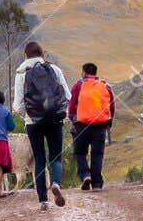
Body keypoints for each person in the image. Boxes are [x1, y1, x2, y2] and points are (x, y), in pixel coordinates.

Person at [12, 40, 69, 210]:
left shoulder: (21, 73)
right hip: (54, 120)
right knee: (55, 156)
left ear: (25, 55)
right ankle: (56, 183)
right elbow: (67, 95)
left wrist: (28, 115)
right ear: (42, 54)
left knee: (39, 159)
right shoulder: (54, 69)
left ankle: (43, 200)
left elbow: (17, 105)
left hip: (33, 123)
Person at [67, 62, 114, 191]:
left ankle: (85, 175)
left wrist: (72, 118)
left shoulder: (78, 85)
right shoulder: (105, 86)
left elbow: (71, 105)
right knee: (97, 154)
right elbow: (112, 105)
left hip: (81, 125)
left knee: (79, 152)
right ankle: (97, 184)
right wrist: (109, 121)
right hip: (100, 125)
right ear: (95, 73)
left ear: (83, 72)